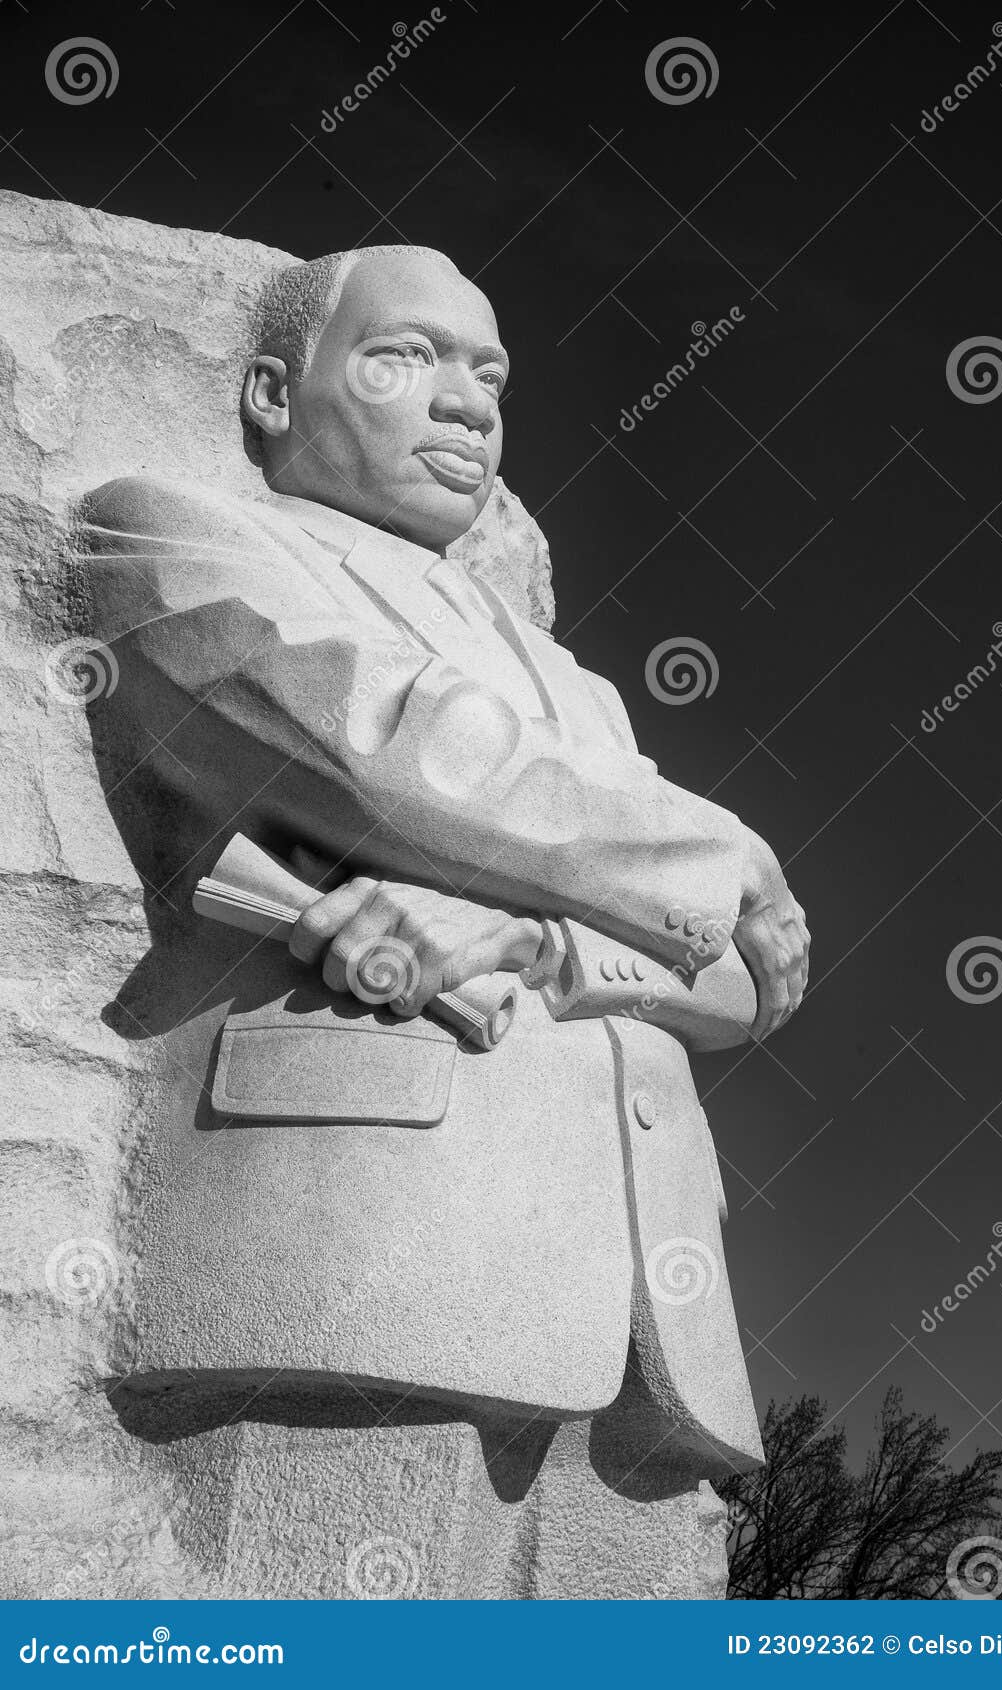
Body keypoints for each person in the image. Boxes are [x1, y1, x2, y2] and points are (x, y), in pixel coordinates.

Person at [80, 244, 809, 1600]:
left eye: (489, 375)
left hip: (650, 1323)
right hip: (364, 1263)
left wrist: (532, 939)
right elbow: (379, 754)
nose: (468, 403)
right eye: (405, 357)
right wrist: (716, 846)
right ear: (270, 395)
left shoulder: (579, 692)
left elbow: (752, 979)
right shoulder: (171, 530)